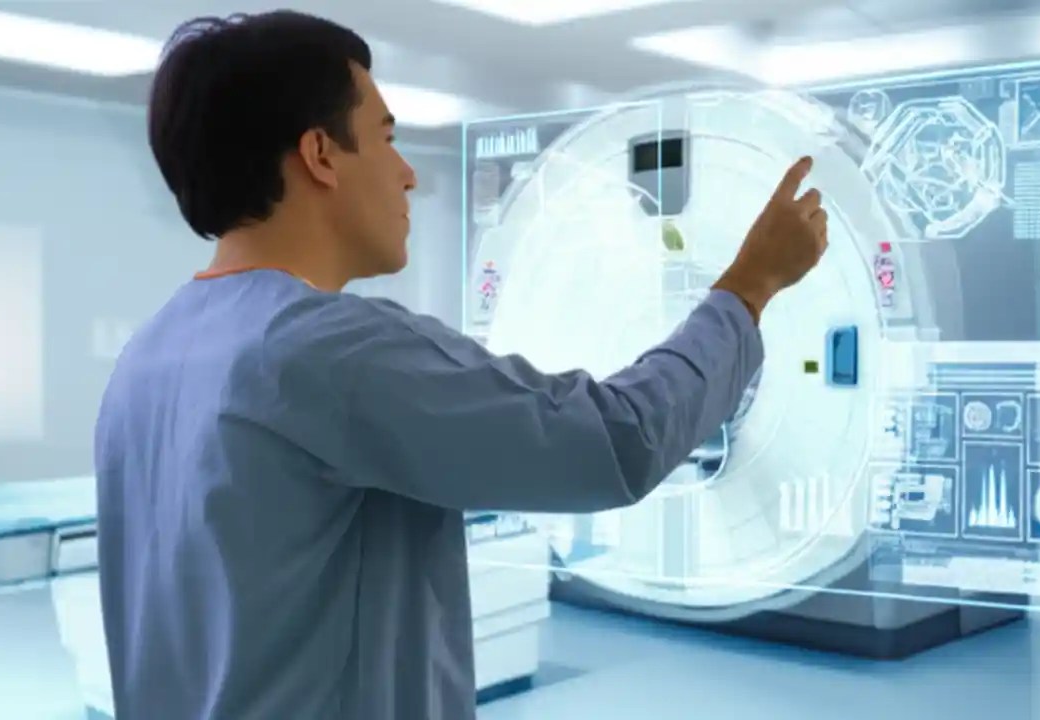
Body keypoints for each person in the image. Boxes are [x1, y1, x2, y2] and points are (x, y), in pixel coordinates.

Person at [93, 9, 828, 720]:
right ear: (320, 155)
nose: (409, 175)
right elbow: (613, 442)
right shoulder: (326, 348)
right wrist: (748, 287)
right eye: (386, 138)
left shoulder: (146, 359)